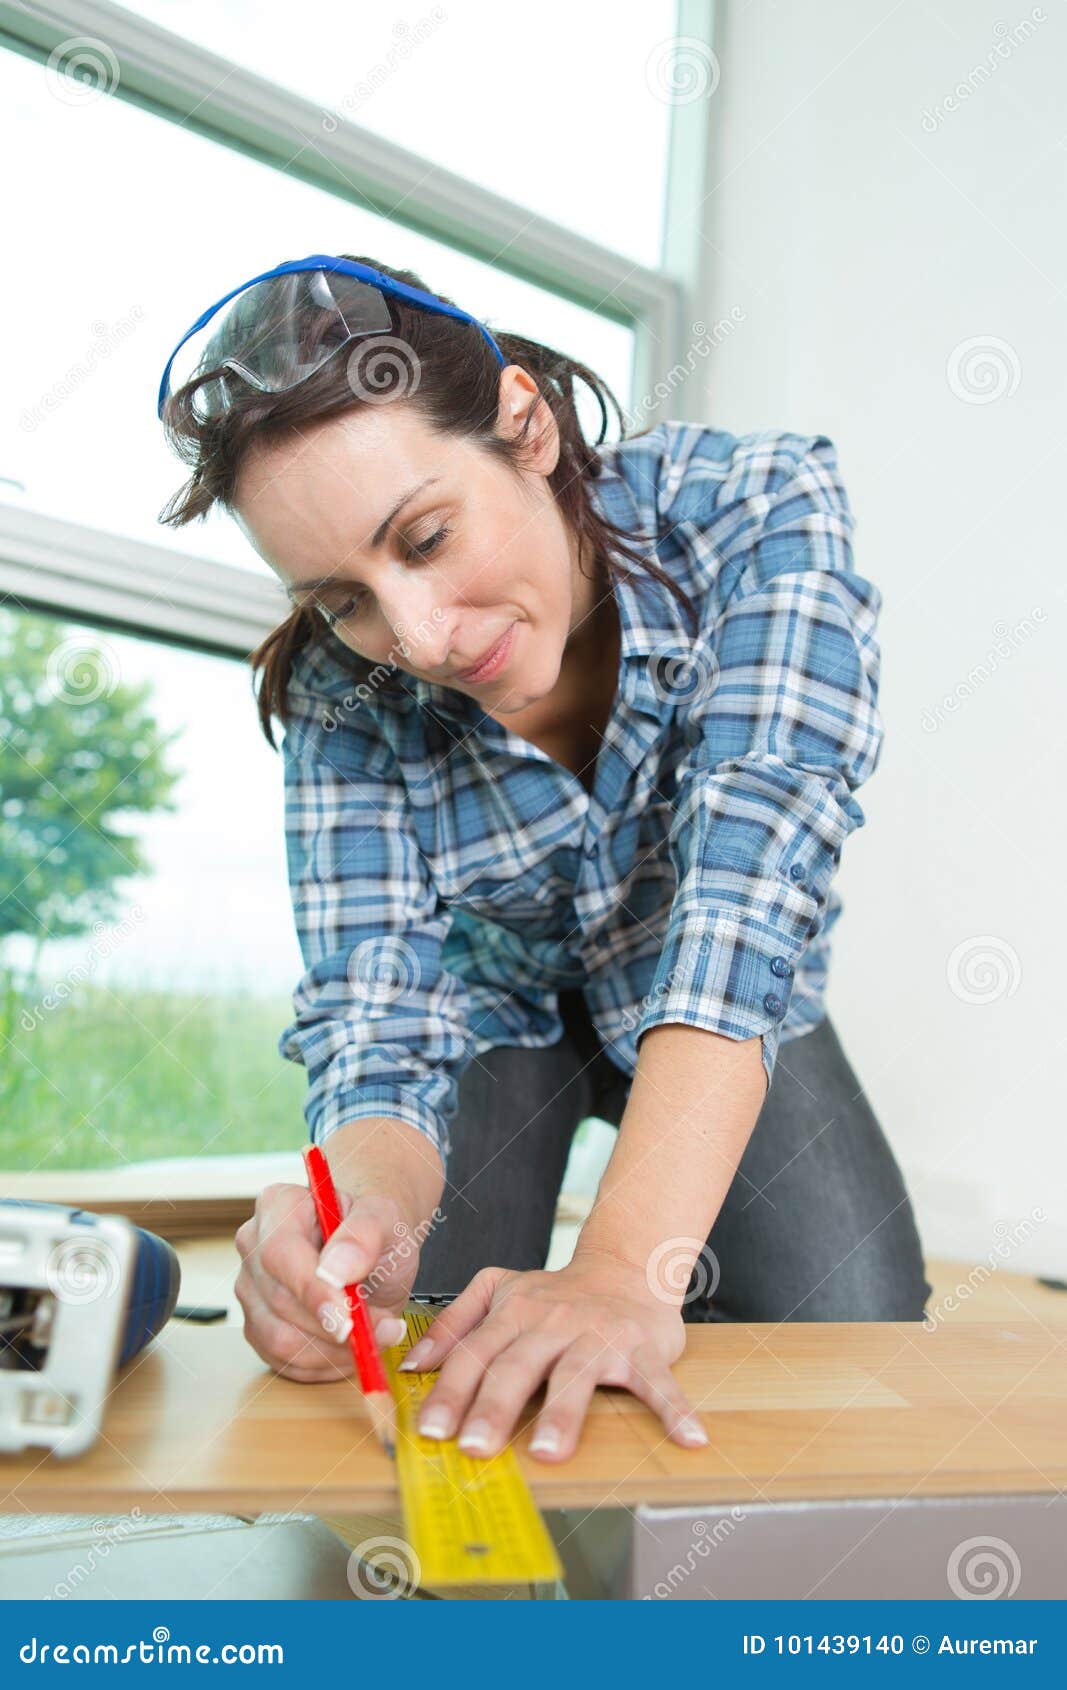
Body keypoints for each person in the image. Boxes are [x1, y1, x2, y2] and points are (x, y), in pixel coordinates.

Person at [158, 253, 932, 1465]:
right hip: (497, 1012)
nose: (412, 637)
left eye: (423, 536)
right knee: (433, 1341)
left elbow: (744, 897)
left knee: (859, 1336)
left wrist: (623, 1271)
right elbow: (377, 1008)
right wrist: (362, 1216)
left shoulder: (757, 505)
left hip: (707, 991)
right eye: (342, 599)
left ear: (525, 426)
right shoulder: (339, 688)